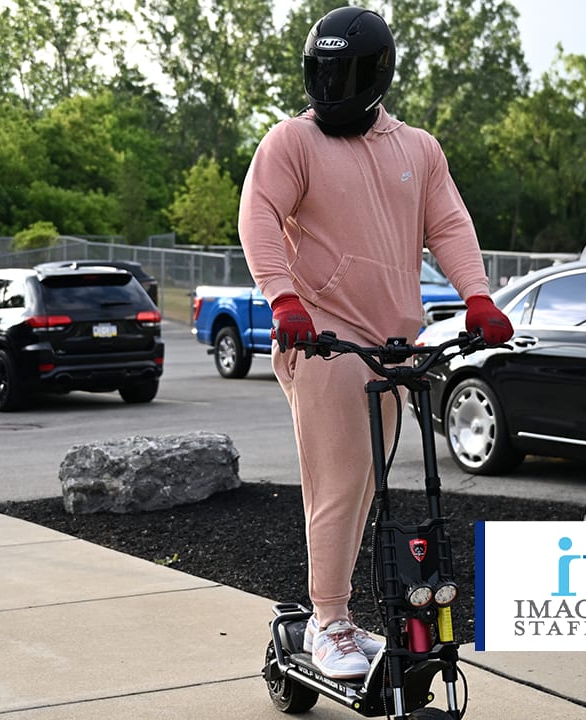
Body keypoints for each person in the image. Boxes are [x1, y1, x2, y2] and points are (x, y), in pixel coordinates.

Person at [237, 7, 513, 680]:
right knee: (337, 488)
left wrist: (477, 294)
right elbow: (259, 217)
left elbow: (447, 222)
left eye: (345, 72)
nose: (331, 84)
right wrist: (284, 299)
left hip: (392, 348)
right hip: (324, 340)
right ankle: (326, 623)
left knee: (366, 493)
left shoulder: (416, 148)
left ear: (377, 76)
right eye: (321, 71)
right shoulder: (291, 143)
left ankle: (343, 615)